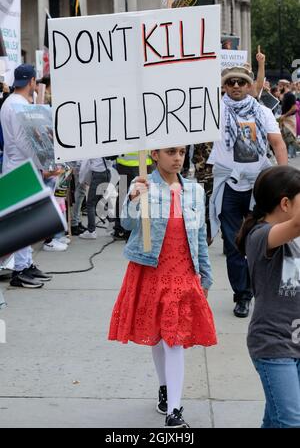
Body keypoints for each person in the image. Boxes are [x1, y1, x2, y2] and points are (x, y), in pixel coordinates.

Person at [108, 146, 217, 428]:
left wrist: (205, 274)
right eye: (171, 152)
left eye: (182, 152)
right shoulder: (143, 185)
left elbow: (199, 235)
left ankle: (174, 410)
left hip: (182, 272)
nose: (178, 158)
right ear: (155, 155)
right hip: (151, 270)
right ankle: (165, 388)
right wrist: (133, 197)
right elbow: (127, 224)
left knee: (174, 339)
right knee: (157, 337)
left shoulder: (193, 191)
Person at [208, 66, 288, 318]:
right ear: (224, 86)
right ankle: (242, 295)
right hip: (229, 186)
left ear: (248, 85)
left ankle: (259, 290)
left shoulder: (262, 112)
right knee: (233, 245)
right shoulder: (214, 109)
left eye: (241, 82)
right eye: (230, 82)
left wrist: (283, 181)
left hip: (258, 186)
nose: (235, 86)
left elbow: (277, 144)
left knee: (261, 242)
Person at [236, 166, 300, 428]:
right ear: (285, 203)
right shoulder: (260, 236)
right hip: (273, 344)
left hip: (295, 340)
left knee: (275, 420)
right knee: (291, 422)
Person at [0, 64, 52, 288]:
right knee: (24, 221)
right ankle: (21, 269)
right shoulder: (19, 105)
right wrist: (43, 163)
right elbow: (25, 140)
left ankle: (25, 264)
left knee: (27, 220)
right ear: (32, 81)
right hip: (23, 167)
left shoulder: (10, 102)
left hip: (17, 165)